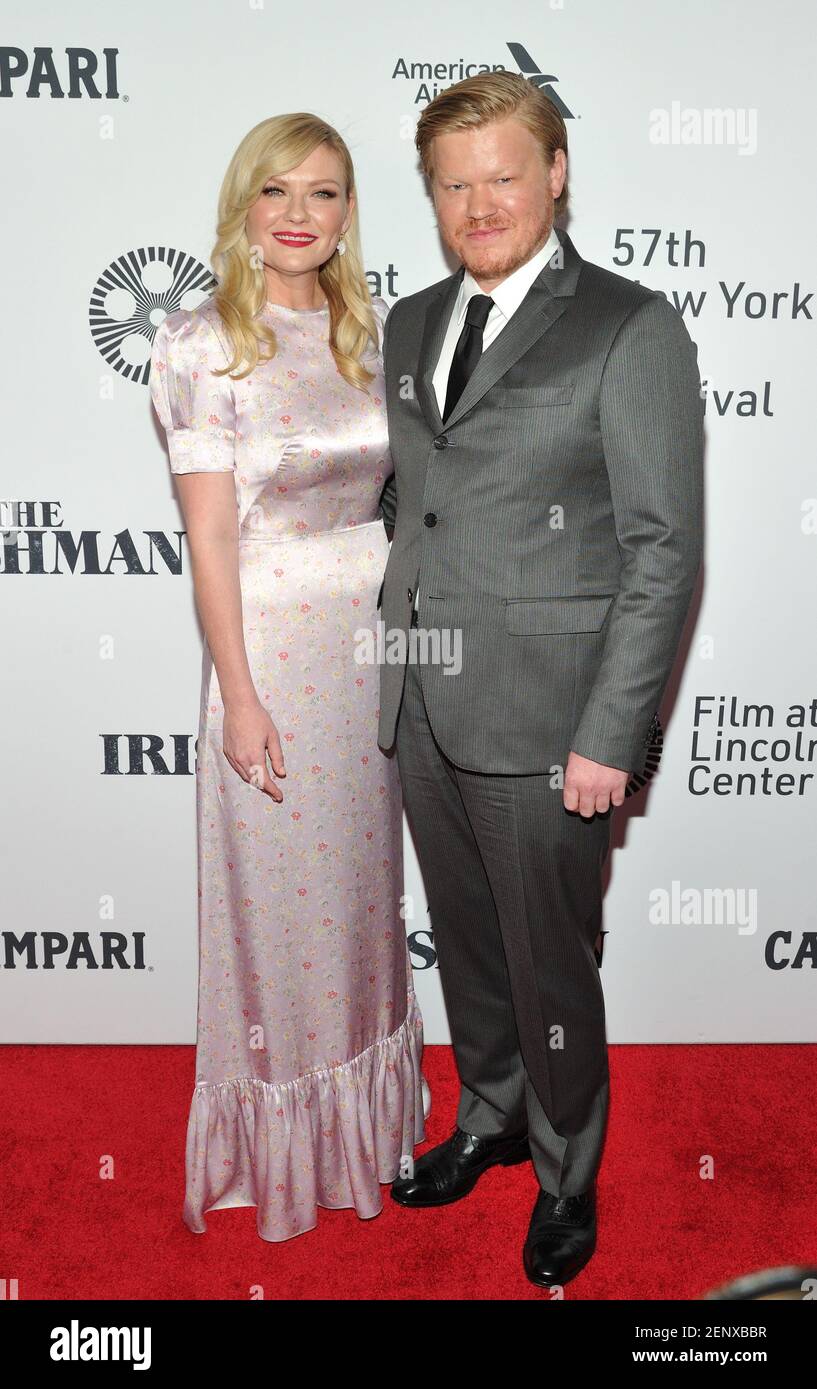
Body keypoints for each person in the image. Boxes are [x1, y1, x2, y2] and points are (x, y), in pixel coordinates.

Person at [376, 72, 704, 1287]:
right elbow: (419, 501)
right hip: (419, 691)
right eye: (453, 184)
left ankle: (566, 1172)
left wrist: (612, 730)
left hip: (550, 716)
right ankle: (492, 1114)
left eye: (504, 176)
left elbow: (662, 548)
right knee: (466, 939)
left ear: (556, 174)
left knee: (549, 959)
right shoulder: (410, 321)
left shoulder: (628, 324)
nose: (480, 204)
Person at [149, 113, 425, 1244]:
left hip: (370, 656)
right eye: (278, 191)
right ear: (244, 207)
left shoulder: (373, 335)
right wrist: (241, 694)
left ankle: (368, 1129)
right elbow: (211, 539)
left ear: (349, 211)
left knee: (360, 901)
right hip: (268, 652)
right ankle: (284, 1147)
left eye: (323, 192)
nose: (300, 214)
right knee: (275, 905)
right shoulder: (201, 344)